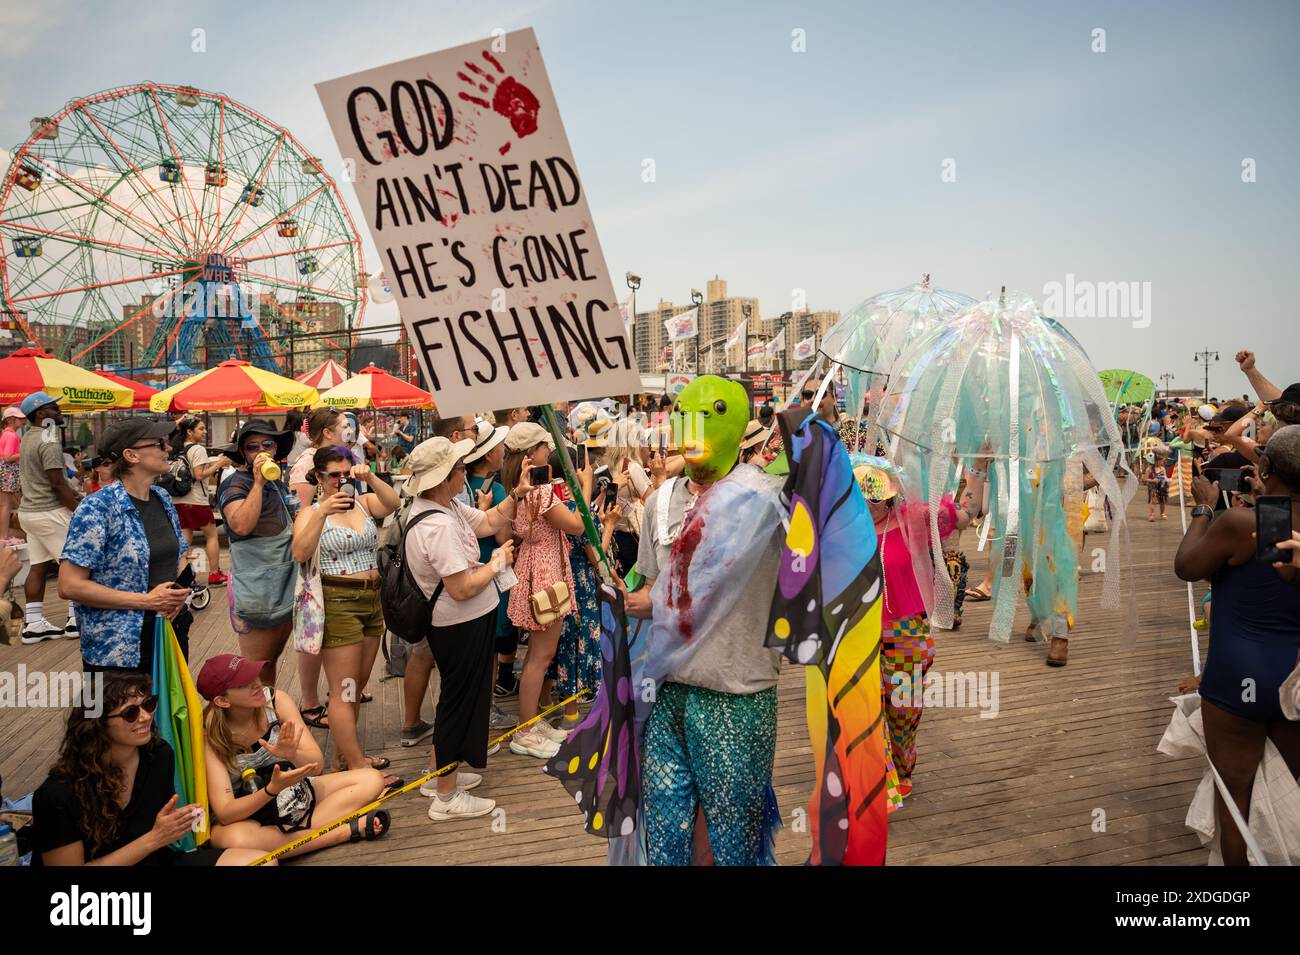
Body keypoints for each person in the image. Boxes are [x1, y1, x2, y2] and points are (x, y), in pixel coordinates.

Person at [615, 376, 785, 865]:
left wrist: (805, 446)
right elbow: (651, 589)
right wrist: (621, 598)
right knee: (667, 838)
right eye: (684, 415)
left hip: (738, 694)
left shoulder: (768, 501)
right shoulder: (661, 500)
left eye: (708, 415)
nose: (693, 428)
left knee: (733, 842)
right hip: (667, 691)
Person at [1174, 425, 1300, 866]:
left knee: (1235, 803)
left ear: (1264, 466)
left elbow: (1187, 567)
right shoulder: (1272, 521)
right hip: (1293, 677)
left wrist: (1205, 510)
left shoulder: (1249, 521)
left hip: (1238, 676)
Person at [401, 436, 521, 820]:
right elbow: (462, 587)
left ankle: (439, 774)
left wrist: (516, 494)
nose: (464, 472)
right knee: (458, 703)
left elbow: (488, 521)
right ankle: (446, 796)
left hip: (459, 620)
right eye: (458, 468)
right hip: (458, 622)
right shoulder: (438, 525)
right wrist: (498, 562)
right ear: (442, 478)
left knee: (454, 699)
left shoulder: (444, 506)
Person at [31, 671, 267, 866]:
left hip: (154, 861)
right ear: (98, 724)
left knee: (261, 862)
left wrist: (180, 822)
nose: (145, 717)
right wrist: (154, 839)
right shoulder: (57, 794)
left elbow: (154, 825)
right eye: (130, 713)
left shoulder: (158, 754)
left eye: (148, 704)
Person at [198, 653, 390, 856]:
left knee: (372, 779)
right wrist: (271, 790)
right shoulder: (209, 733)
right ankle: (341, 832)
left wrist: (292, 754)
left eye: (253, 675)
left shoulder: (275, 700)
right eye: (242, 684)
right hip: (249, 813)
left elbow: (316, 766)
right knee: (230, 839)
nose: (256, 684)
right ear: (222, 701)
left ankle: (286, 841)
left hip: (295, 794)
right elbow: (226, 812)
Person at [289, 445, 400, 783]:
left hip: (371, 600)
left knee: (357, 683)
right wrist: (322, 512)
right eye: (333, 475)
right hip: (337, 601)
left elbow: (394, 504)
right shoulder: (310, 513)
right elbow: (299, 552)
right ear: (319, 478)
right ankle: (357, 765)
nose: (340, 481)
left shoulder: (363, 503)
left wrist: (370, 478)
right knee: (343, 687)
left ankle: (343, 753)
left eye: (345, 473)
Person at [58, 418, 192, 672]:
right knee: (125, 712)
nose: (169, 448)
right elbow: (68, 584)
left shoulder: (162, 497)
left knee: (167, 711)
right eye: (160, 444)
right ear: (131, 455)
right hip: (118, 647)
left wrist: (176, 598)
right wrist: (147, 601)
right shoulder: (98, 507)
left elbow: (178, 555)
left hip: (168, 631)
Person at [502, 421, 590, 759]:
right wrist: (584, 484)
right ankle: (525, 729)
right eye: (543, 446)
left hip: (536, 566)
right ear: (533, 453)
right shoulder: (539, 492)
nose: (547, 451)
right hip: (545, 570)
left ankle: (530, 721)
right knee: (540, 655)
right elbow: (578, 525)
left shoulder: (521, 487)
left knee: (539, 654)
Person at [215, 419, 298, 687]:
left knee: (270, 662)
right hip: (258, 591)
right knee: (254, 669)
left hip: (283, 583)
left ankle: (269, 717)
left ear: (275, 449)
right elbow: (240, 525)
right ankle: (257, 723)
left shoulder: (278, 482)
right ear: (243, 453)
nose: (260, 450)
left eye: (267, 444)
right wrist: (258, 483)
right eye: (252, 447)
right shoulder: (236, 484)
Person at [286, 407, 347, 729]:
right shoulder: (308, 464)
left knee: (333, 632)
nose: (348, 431)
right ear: (328, 432)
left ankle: (341, 688)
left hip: (340, 556)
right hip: (315, 559)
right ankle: (309, 700)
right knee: (312, 629)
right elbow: (303, 513)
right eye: (343, 427)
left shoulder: (334, 457)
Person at [16, 392, 81, 643]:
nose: (59, 411)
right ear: (41, 414)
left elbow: (44, 478)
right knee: (75, 563)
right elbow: (55, 483)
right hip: (49, 511)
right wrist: (77, 509)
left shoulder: (28, 437)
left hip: (28, 512)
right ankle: (76, 619)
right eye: (54, 408)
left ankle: (33, 624)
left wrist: (70, 490)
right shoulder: (49, 438)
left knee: (38, 566)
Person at [169, 415, 232, 587]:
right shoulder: (197, 449)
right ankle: (214, 574)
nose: (204, 432)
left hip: (178, 500)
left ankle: (182, 576)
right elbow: (198, 475)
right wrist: (219, 464)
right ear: (189, 432)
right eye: (201, 429)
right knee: (211, 535)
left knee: (185, 538)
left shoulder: (175, 449)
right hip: (196, 500)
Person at [0, 406, 23, 543]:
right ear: (11, 420)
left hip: (6, 470)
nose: (23, 421)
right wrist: (24, 452)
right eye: (19, 419)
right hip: (8, 471)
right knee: (5, 506)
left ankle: (3, 535)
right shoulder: (11, 435)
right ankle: (3, 536)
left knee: (4, 505)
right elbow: (8, 457)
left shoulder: (5, 434)